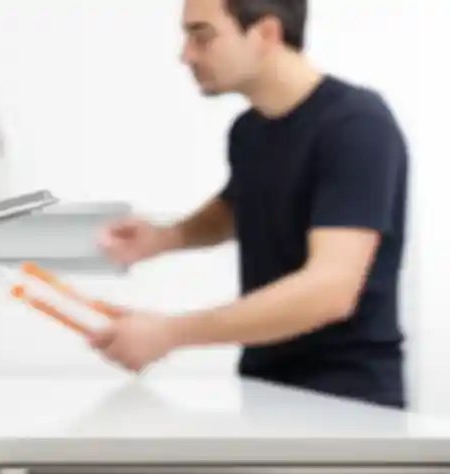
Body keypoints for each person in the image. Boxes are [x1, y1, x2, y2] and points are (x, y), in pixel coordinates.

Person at [92, 0, 410, 409]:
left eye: (201, 36)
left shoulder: (357, 126)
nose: (185, 55)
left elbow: (330, 290)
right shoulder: (249, 131)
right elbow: (238, 206)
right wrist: (163, 238)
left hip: (348, 403)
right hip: (265, 388)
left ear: (265, 34)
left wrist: (169, 333)